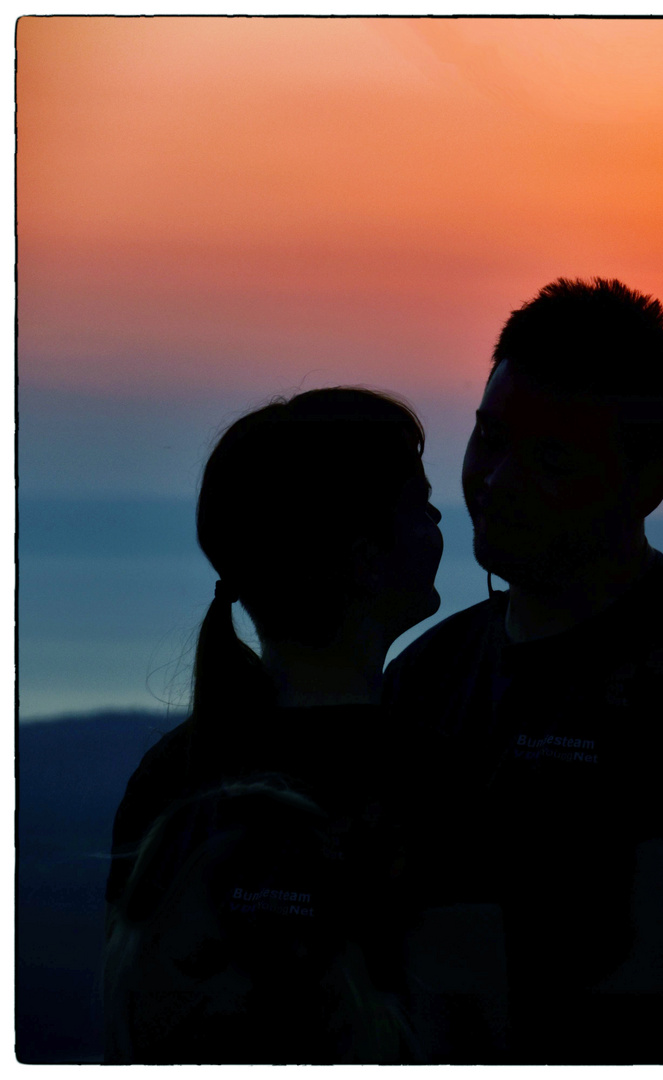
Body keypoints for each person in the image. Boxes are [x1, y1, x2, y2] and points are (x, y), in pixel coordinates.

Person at [382, 277, 663, 1064]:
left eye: (550, 460)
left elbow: (660, 999)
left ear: (648, 485)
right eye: (490, 438)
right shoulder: (427, 674)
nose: (497, 479)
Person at [103, 387, 445, 1063]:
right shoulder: (431, 772)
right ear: (366, 562)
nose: (439, 517)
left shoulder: (172, 772)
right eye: (419, 503)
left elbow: (131, 1008)